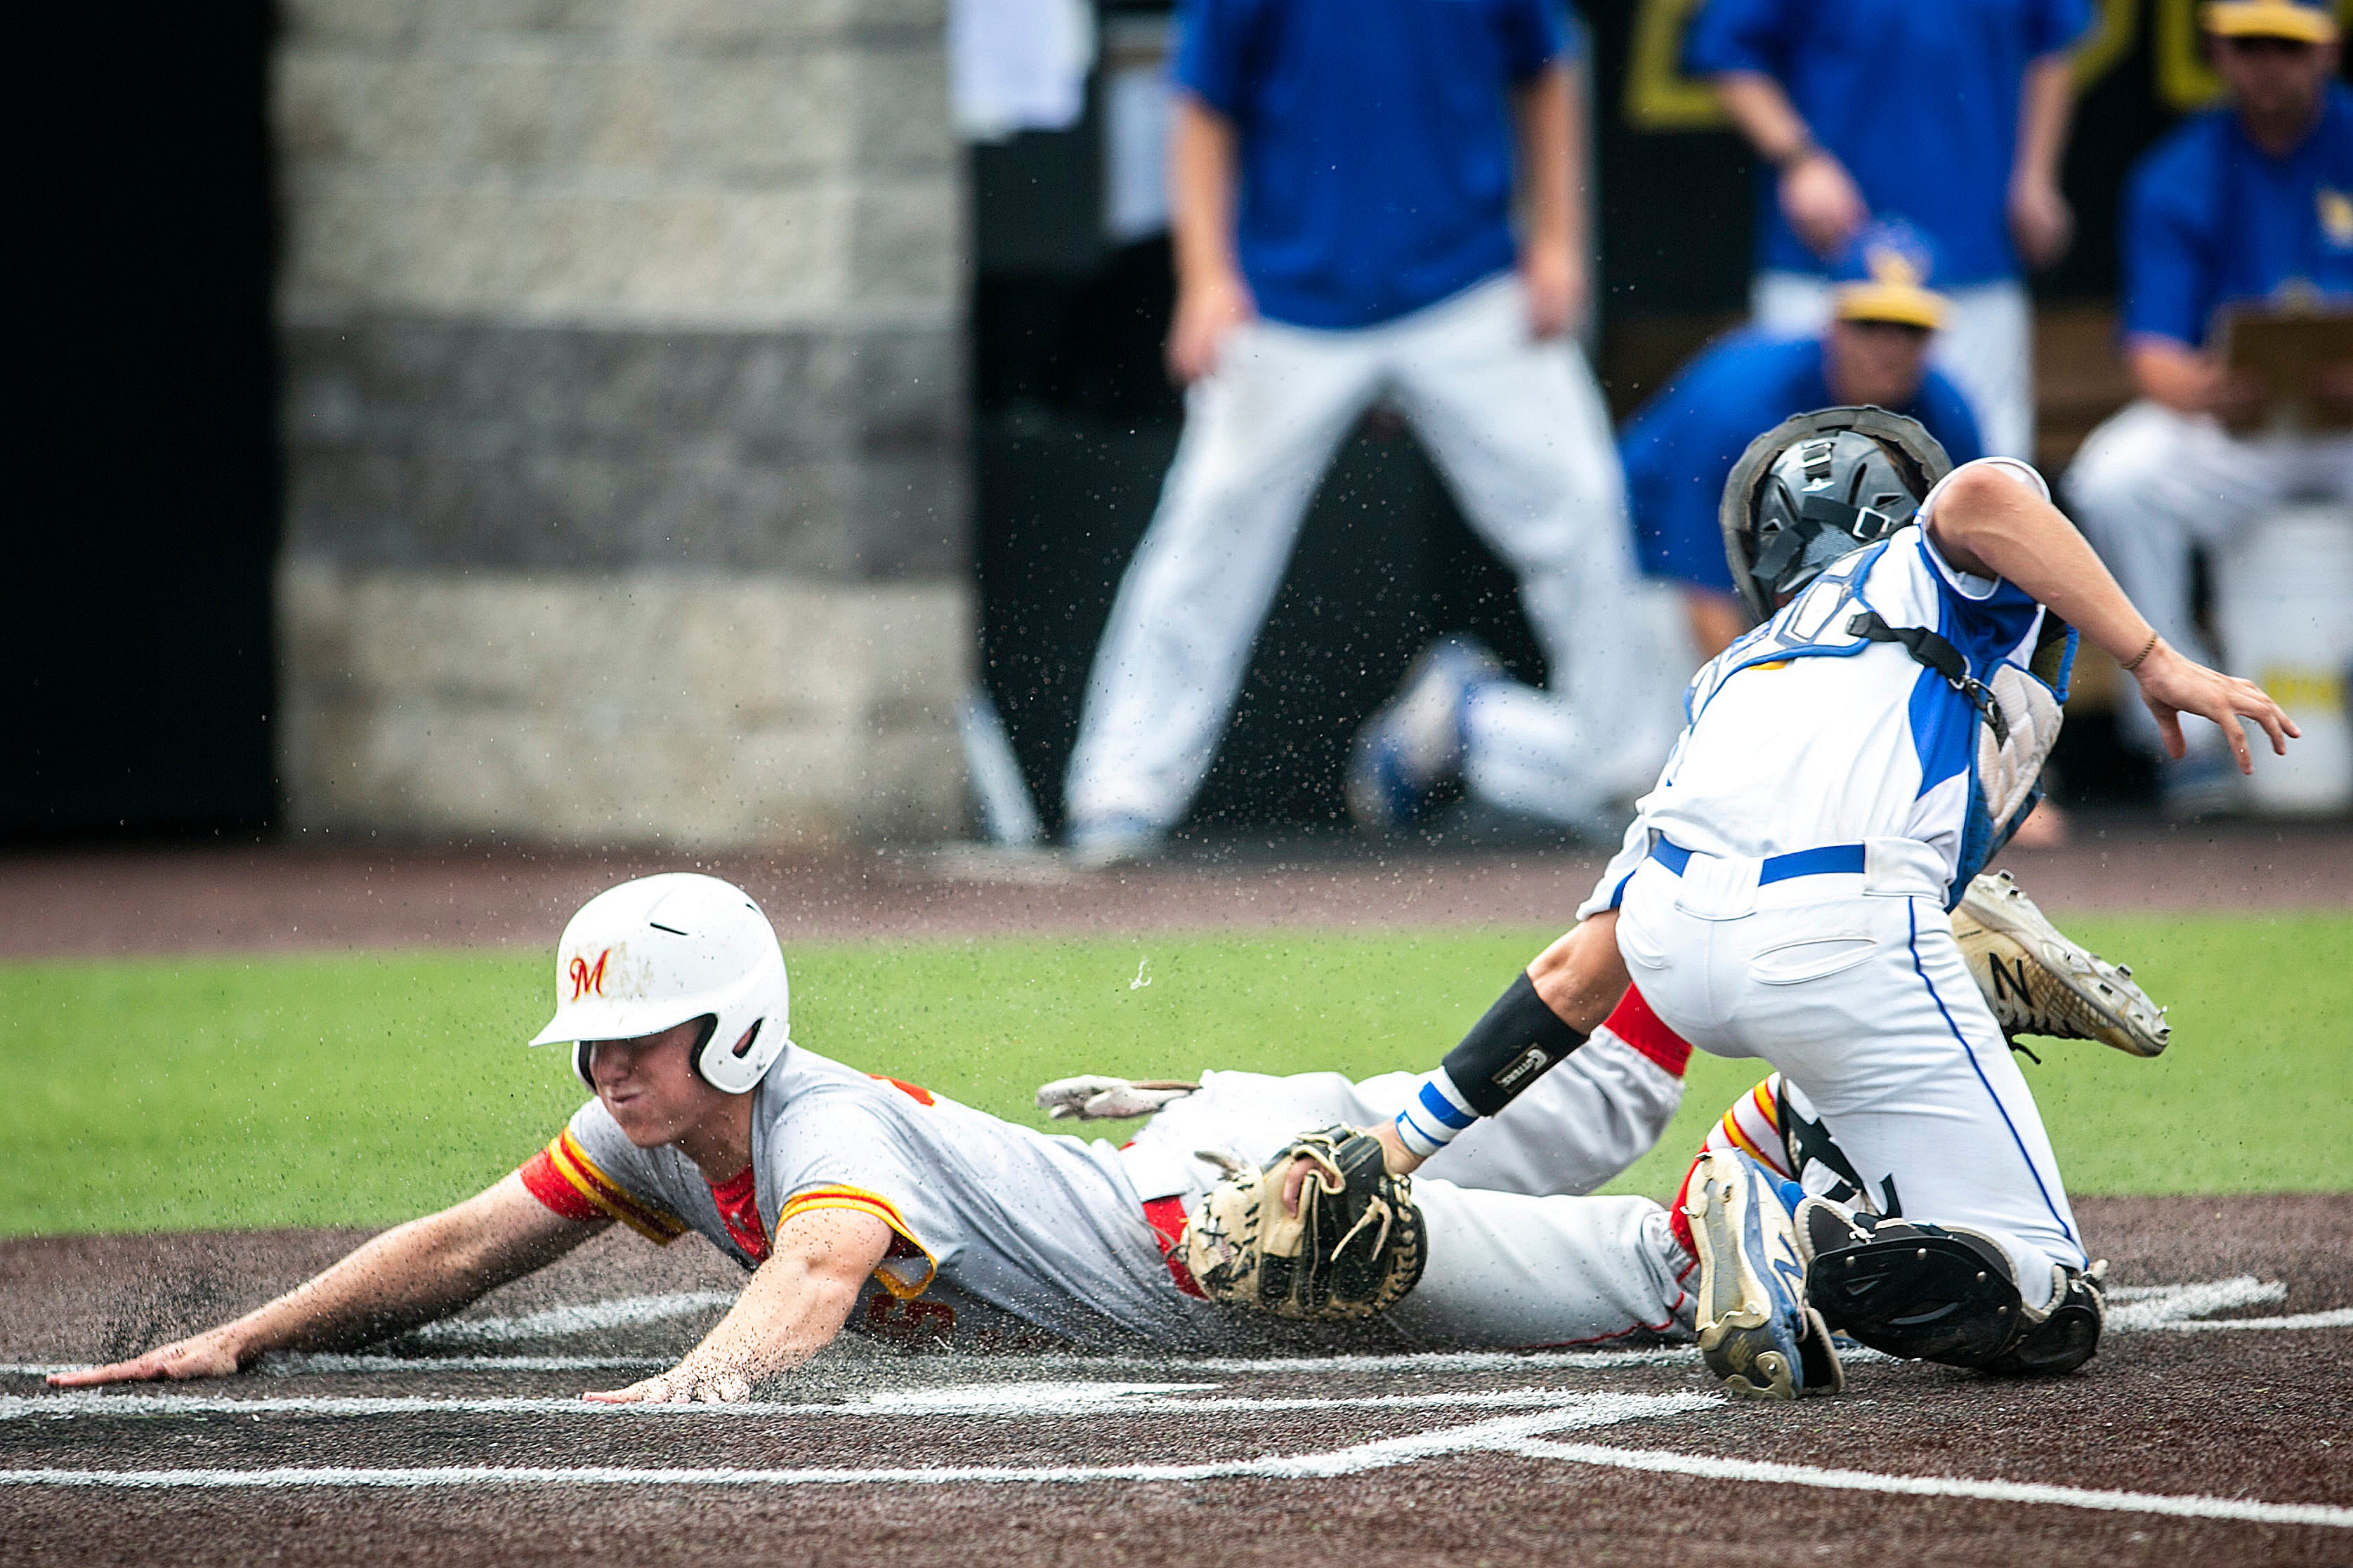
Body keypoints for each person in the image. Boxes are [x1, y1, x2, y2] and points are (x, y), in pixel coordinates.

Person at [1339, 408, 2293, 1399]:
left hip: (1678, 951)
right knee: (2052, 1307)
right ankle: (1790, 1220)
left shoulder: (1727, 675)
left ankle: (1775, 1180)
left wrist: (1396, 1144)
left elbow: (1576, 974)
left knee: (1837, 1068)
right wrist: (2152, 657)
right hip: (1843, 935)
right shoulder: (1925, 565)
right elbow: (1981, 497)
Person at [52, 874, 1745, 1397]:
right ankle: (1702, 910)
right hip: (1219, 1173)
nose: (606, 1077)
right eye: (594, 1049)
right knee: (1588, 1098)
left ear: (725, 1028)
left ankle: (1797, 1004)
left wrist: (667, 1401)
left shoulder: (819, 1121)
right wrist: (246, 1337)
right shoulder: (660, 1139)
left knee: (1686, 1272)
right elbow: (462, 1243)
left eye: (628, 1042)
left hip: (1245, 1245)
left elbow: (814, 1274)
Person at [1060, 0, 1674, 866]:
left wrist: (1559, 242)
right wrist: (1203, 278)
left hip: (1467, 284)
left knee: (1578, 498)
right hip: (1288, 299)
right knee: (1206, 525)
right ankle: (1118, 794)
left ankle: (1632, 784)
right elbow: (1200, 103)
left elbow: (1547, 68)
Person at [2063, 0, 2353, 818]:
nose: (2269, 65)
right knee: (2115, 479)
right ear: (2219, 53)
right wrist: (2208, 386)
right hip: (2240, 426)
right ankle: (2183, 738)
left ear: (2326, 51)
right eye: (2250, 46)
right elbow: (2152, 352)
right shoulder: (2180, 170)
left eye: (2287, 47)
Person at [1686, 0, 2095, 459]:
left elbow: (2054, 43)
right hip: (1824, 256)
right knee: (1798, 468)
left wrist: (2036, 174)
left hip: (1974, 247)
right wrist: (1799, 158)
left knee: (1987, 473)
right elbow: (1729, 51)